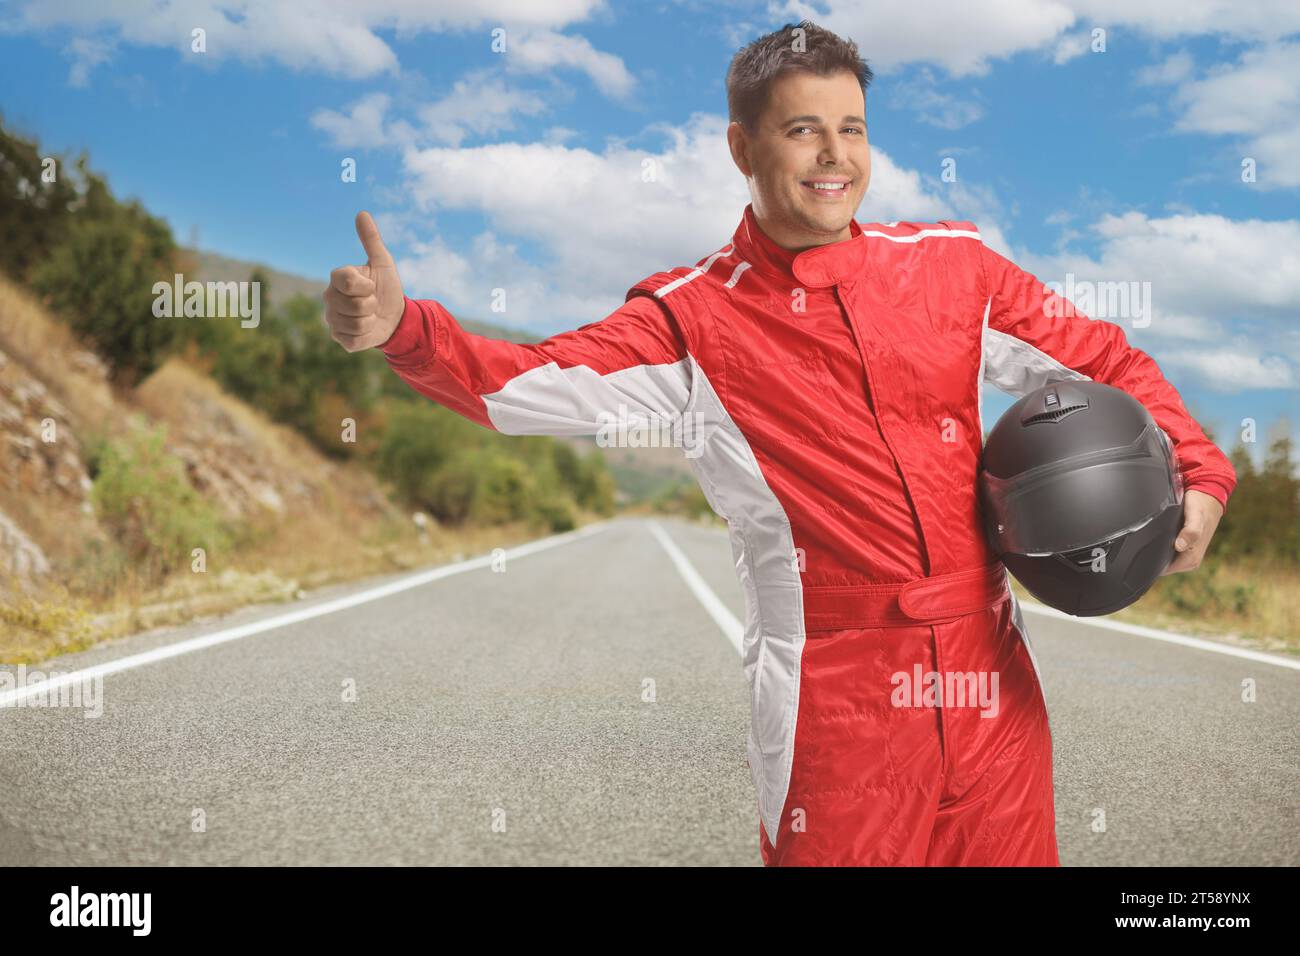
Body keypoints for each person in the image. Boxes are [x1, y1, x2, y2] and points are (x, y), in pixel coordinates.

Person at [322, 20, 1236, 866]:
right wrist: (406, 330)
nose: (836, 156)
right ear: (741, 147)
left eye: (854, 129)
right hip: (833, 710)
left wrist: (1198, 468)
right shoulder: (693, 319)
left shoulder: (953, 268)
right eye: (804, 131)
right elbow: (525, 383)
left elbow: (1103, 360)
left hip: (991, 682)